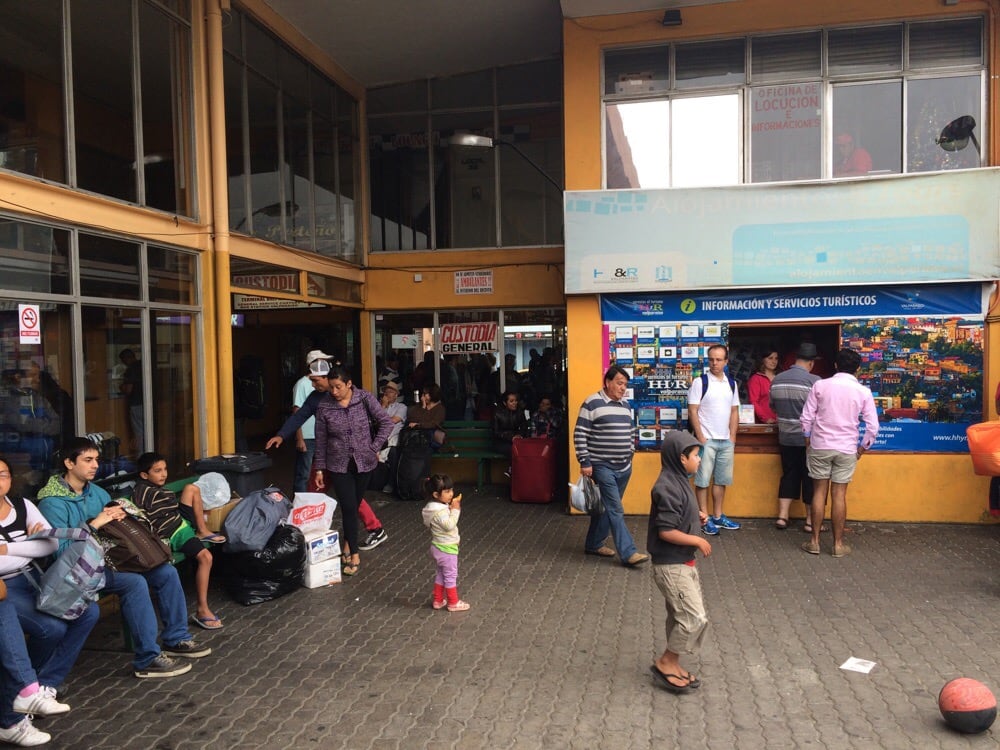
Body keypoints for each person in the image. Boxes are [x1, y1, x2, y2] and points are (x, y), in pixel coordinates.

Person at [37, 438, 210, 678]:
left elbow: (117, 528)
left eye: (96, 459)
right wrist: (95, 524)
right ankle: (147, 658)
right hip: (80, 572)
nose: (95, 465)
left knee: (166, 571)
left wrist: (122, 514)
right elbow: (62, 551)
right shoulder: (52, 503)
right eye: (88, 460)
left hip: (113, 558)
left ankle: (176, 638)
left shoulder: (96, 491)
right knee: (134, 582)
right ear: (68, 463)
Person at [0, 455, 97, 745]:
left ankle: (44, 685)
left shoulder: (22, 505)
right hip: (7, 587)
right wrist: (28, 545)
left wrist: (8, 548)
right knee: (50, 629)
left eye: (4, 473)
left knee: (87, 611)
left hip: (35, 578)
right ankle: (19, 698)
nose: (0, 479)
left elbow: (50, 544)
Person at [264, 359, 390, 552]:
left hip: (355, 459)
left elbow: (383, 421)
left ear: (328, 378)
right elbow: (300, 417)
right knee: (326, 495)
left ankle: (365, 534)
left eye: (316, 381)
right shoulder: (316, 399)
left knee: (350, 499)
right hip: (330, 457)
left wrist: (372, 448)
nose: (314, 385)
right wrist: (281, 435)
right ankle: (306, 533)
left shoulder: (357, 396)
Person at [313, 365, 394, 577]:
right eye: (331, 387)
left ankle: (347, 547)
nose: (334, 392)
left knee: (354, 505)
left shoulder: (364, 398)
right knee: (348, 507)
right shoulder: (324, 407)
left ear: (349, 384)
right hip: (338, 465)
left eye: (338, 387)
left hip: (364, 463)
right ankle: (355, 554)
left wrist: (374, 447)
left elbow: (386, 423)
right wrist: (320, 468)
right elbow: (320, 440)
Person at [647, 431, 711, 695]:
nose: (698, 460)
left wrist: (698, 516)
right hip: (671, 566)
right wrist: (696, 540)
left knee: (679, 616)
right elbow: (666, 531)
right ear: (681, 458)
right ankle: (666, 662)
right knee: (694, 617)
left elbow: (682, 511)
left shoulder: (680, 480)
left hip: (683, 563)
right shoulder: (666, 486)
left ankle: (672, 661)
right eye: (695, 456)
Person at [800, 348, 879, 558]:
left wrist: (809, 440)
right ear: (858, 369)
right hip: (846, 447)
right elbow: (873, 427)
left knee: (819, 492)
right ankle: (837, 545)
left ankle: (814, 542)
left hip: (820, 445)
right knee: (839, 495)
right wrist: (862, 448)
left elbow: (806, 418)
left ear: (835, 365)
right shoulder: (863, 392)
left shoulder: (820, 385)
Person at [132, 452, 223, 630]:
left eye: (165, 469)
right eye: (157, 471)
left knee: (191, 488)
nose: (164, 474)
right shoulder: (142, 492)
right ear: (144, 475)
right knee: (206, 557)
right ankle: (202, 610)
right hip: (176, 532)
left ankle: (202, 530)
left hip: (179, 521)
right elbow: (142, 519)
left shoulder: (157, 489)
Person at [574, 365, 649, 567]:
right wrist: (585, 462)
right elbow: (580, 434)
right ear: (607, 382)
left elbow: (631, 432)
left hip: (624, 466)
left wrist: (630, 453)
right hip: (602, 466)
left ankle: (593, 544)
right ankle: (628, 553)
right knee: (616, 509)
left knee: (607, 509)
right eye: (619, 383)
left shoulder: (625, 405)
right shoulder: (592, 403)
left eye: (625, 384)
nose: (623, 388)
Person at [687, 345, 742, 536]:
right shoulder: (700, 382)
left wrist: (732, 436)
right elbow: (692, 410)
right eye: (711, 359)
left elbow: (735, 411)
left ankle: (718, 516)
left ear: (726, 361)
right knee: (702, 481)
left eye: (719, 360)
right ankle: (704, 518)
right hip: (707, 440)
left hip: (725, 440)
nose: (715, 363)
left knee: (721, 480)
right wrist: (701, 437)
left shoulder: (731, 384)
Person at [769, 343, 821, 530]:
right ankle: (810, 521)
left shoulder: (777, 379)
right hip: (808, 440)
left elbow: (772, 406)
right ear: (811, 363)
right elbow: (820, 411)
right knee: (810, 477)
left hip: (785, 438)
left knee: (789, 474)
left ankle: (782, 517)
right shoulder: (814, 382)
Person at [421, 473, 469, 612]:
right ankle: (453, 602)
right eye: (447, 491)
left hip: (437, 546)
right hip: (446, 549)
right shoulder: (440, 511)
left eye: (451, 490)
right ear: (436, 495)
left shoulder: (432, 508)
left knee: (441, 574)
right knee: (450, 576)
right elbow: (449, 525)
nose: (451, 494)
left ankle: (438, 600)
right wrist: (455, 510)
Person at [290, 350, 334, 493]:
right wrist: (299, 438)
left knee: (322, 472)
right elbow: (297, 413)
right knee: (304, 474)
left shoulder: (329, 384)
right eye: (320, 361)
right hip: (307, 437)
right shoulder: (302, 384)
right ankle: (300, 505)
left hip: (322, 436)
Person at [375, 380, 408, 495]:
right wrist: (383, 406)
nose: (387, 394)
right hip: (379, 438)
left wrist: (382, 414)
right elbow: (375, 421)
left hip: (394, 439)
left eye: (390, 392)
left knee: (393, 453)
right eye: (386, 392)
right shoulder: (379, 407)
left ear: (396, 394)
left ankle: (391, 483)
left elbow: (393, 421)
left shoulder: (401, 407)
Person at [118, 349, 144, 454]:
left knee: (139, 433)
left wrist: (121, 387)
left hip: (136, 404)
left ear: (127, 358)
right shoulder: (145, 365)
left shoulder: (131, 370)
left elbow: (128, 389)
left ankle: (142, 458)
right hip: (150, 404)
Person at [407, 382, 446, 449]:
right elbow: (413, 419)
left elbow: (434, 424)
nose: (423, 396)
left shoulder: (440, 409)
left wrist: (419, 424)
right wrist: (423, 407)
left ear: (432, 394)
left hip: (432, 440)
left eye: (425, 394)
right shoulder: (420, 406)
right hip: (418, 439)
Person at [492, 390, 529, 458]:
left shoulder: (519, 412)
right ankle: (512, 468)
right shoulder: (497, 413)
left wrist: (519, 435)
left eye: (516, 400)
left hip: (517, 441)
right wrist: (511, 437)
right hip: (501, 442)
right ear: (505, 403)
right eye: (511, 401)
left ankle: (521, 468)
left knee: (525, 448)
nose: (515, 403)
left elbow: (524, 427)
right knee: (513, 449)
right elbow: (496, 432)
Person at [747, 349, 779, 424]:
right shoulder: (756, 379)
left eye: (776, 358)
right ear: (762, 360)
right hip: (764, 423)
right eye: (770, 358)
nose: (774, 361)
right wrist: (765, 418)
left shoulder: (780, 377)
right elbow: (753, 401)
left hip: (781, 422)